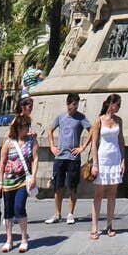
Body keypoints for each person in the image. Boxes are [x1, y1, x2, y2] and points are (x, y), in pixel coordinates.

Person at [46, 92, 90, 224]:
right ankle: (57, 214)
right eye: (73, 105)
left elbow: (92, 131)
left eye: (77, 105)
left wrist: (82, 147)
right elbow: (50, 130)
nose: (75, 107)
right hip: (60, 156)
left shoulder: (81, 118)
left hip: (73, 157)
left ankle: (70, 214)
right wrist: (52, 146)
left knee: (72, 186)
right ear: (68, 104)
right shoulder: (60, 117)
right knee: (57, 186)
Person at [0, 113, 38, 253]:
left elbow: (35, 159)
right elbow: (2, 163)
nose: (26, 129)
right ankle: (9, 239)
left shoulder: (31, 141)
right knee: (8, 211)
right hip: (8, 181)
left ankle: (24, 238)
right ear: (18, 127)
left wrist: (33, 177)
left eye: (27, 126)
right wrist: (0, 183)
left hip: (22, 180)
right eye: (24, 126)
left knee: (19, 207)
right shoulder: (9, 143)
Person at [88, 94, 125, 239]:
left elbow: (121, 141)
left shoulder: (119, 120)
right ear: (110, 104)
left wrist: (123, 161)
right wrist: (95, 164)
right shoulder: (99, 120)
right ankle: (94, 227)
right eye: (116, 104)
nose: (118, 107)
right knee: (98, 194)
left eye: (119, 105)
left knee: (112, 194)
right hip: (102, 159)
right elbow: (94, 143)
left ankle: (109, 225)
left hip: (115, 158)